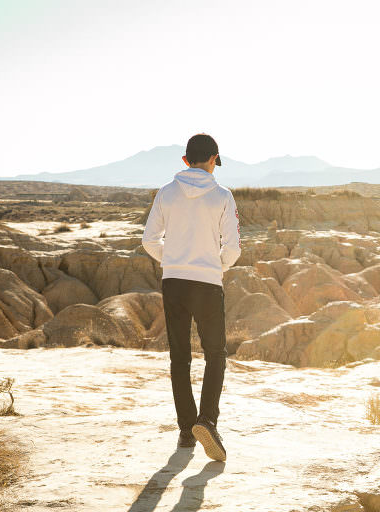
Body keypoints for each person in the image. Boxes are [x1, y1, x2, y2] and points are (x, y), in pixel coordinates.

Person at [142, 133, 241, 461]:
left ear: (185, 161)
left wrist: (172, 261)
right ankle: (207, 422)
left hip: (174, 282)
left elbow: (149, 240)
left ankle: (187, 430)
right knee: (215, 353)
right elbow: (234, 247)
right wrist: (215, 266)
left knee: (180, 356)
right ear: (213, 159)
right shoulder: (222, 196)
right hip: (208, 283)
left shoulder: (166, 193)